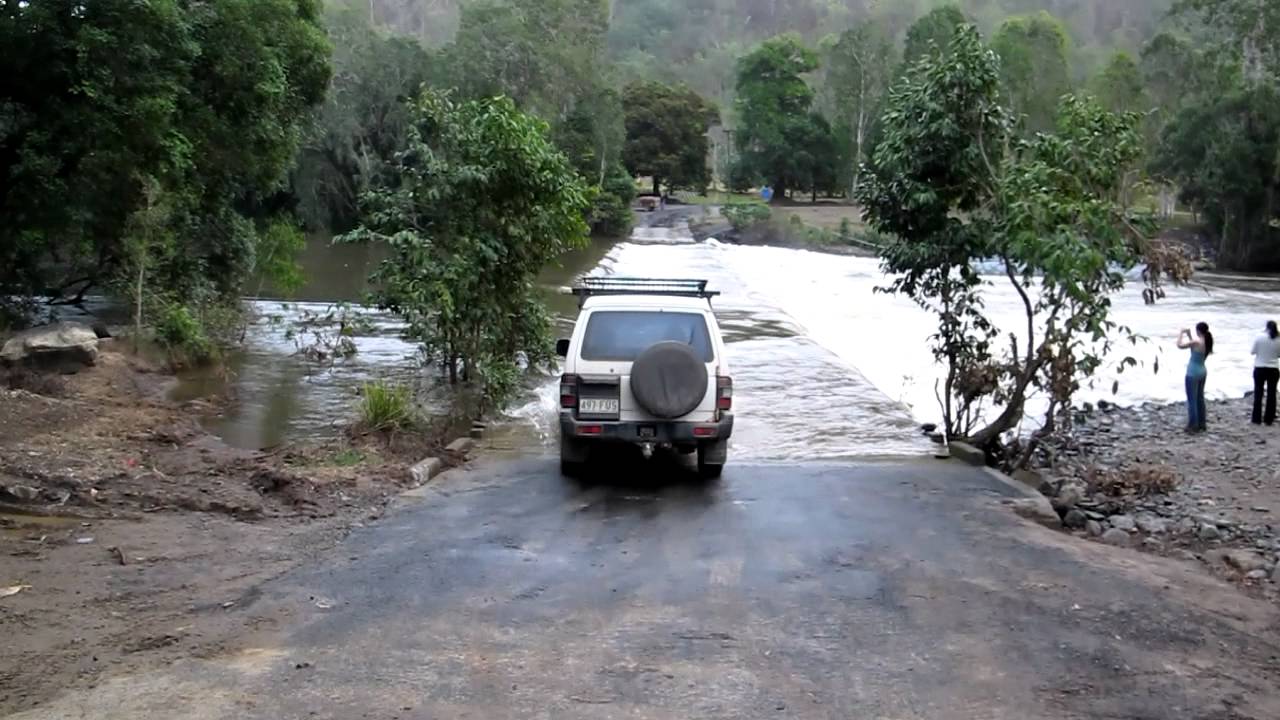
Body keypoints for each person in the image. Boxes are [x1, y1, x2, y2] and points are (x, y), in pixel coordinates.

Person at [1177, 322, 1214, 432]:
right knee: (1200, 398)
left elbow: (1179, 345)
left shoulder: (1197, 342)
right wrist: (1189, 335)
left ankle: (1193, 425)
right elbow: (1194, 348)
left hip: (1192, 373)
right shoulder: (1207, 341)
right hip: (1202, 371)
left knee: (1192, 400)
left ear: (1198, 331)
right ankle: (1202, 423)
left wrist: (1181, 333)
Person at [1252, 320, 1280, 425]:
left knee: (1258, 393)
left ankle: (1256, 418)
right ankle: (1269, 419)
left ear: (1266, 327)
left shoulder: (1259, 337)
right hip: (1273, 368)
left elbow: (1252, 351)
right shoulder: (1278, 338)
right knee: (1271, 394)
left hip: (1259, 367)